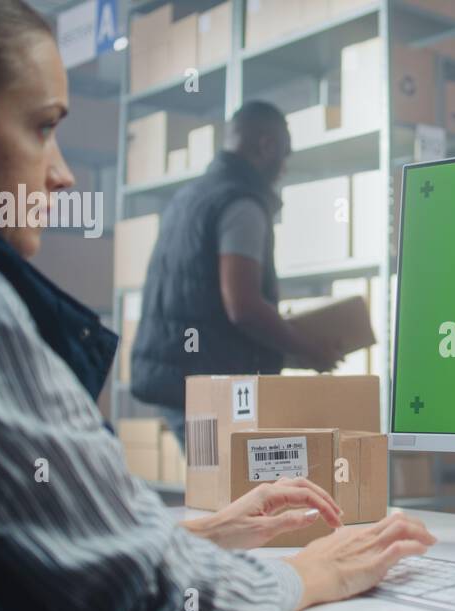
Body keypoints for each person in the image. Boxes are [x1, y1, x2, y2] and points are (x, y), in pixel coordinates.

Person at [0, 0, 433, 611]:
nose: (61, 174)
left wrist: (201, 534)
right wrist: (310, 572)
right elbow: (146, 599)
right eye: (42, 128)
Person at [131, 101, 341, 445]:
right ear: (266, 145)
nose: (284, 168)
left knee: (216, 491)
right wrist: (308, 347)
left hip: (180, 378)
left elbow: (209, 300)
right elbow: (242, 307)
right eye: (285, 155)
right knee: (228, 491)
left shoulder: (189, 197)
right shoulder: (241, 204)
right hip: (208, 389)